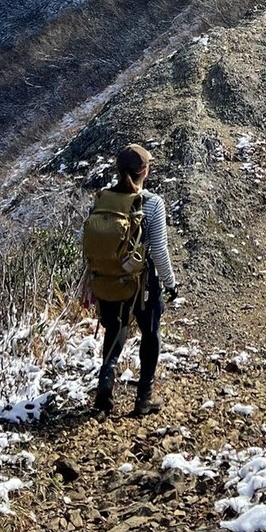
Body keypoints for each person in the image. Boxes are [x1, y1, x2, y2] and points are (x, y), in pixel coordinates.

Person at [91, 142, 178, 416]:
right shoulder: (152, 203)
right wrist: (170, 283)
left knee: (115, 329)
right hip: (142, 281)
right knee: (150, 335)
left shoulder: (103, 199)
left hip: (108, 278)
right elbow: (159, 250)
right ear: (145, 172)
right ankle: (143, 399)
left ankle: (106, 380)